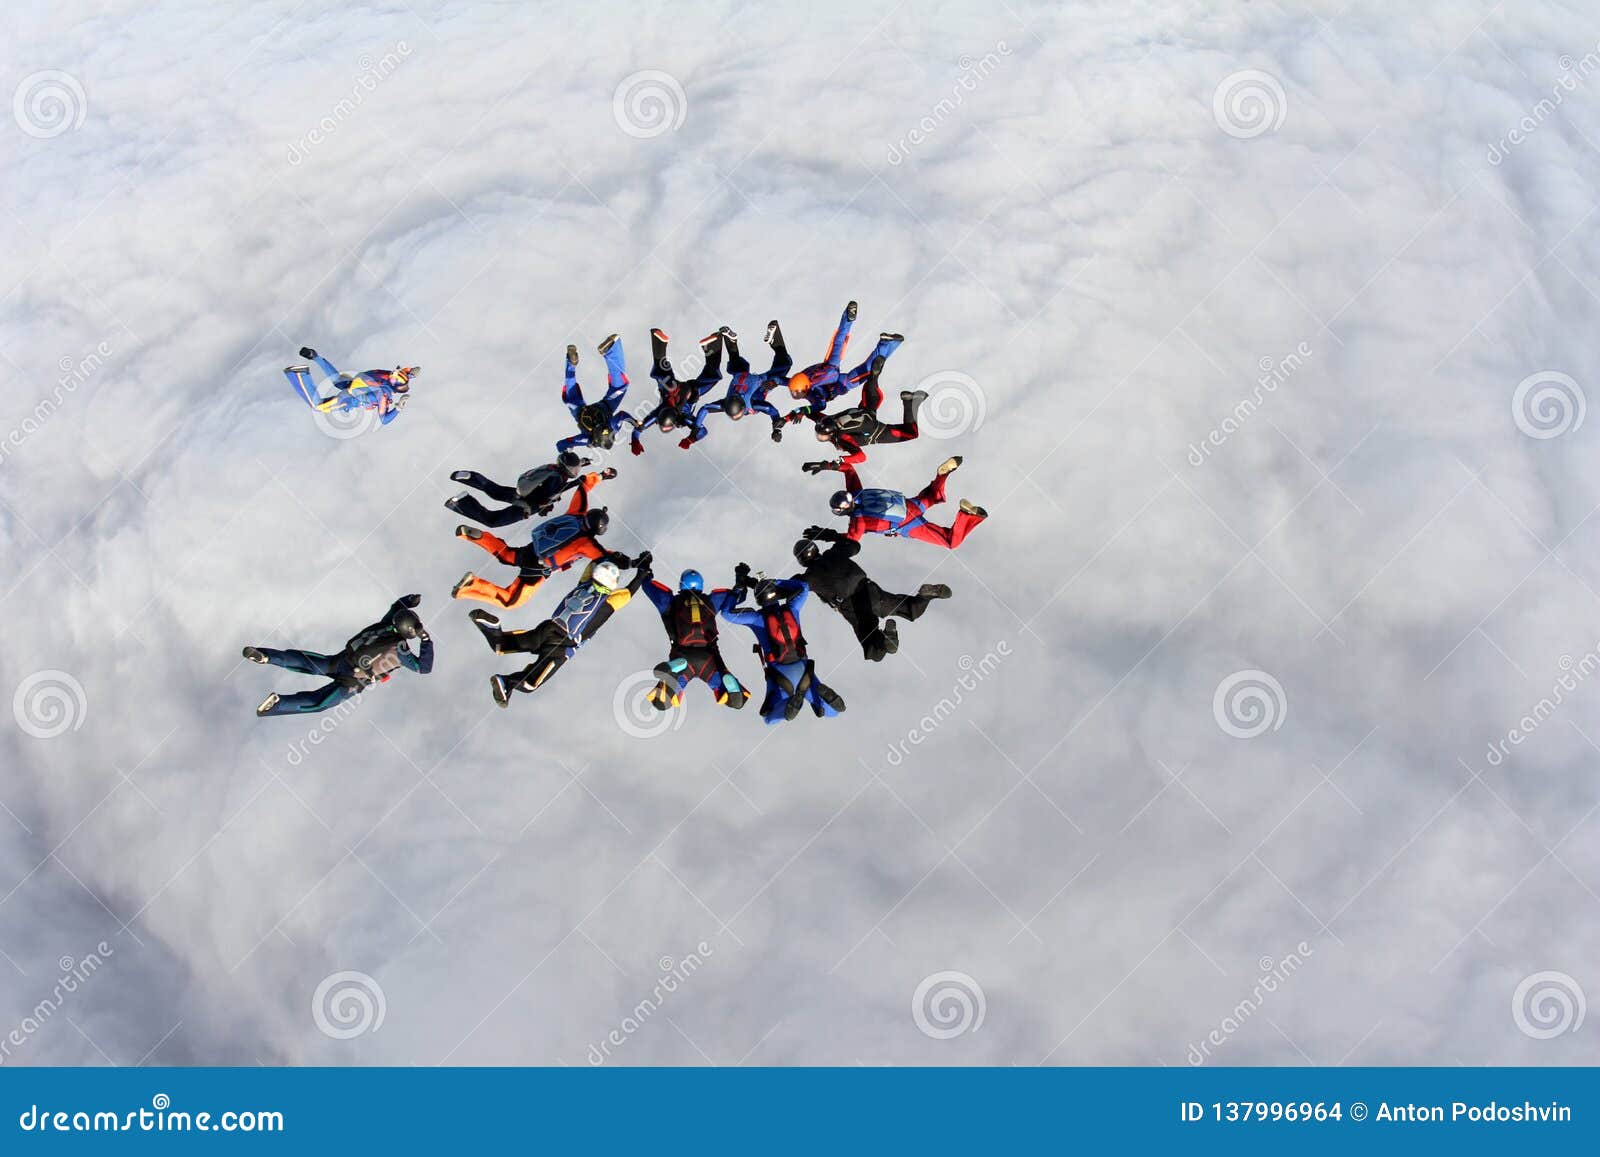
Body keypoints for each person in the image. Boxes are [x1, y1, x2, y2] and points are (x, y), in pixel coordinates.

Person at [468, 554, 652, 707]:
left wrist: (631, 562)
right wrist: (642, 572)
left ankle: (492, 628)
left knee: (501, 645)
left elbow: (597, 559)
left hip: (548, 627)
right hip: (563, 646)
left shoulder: (584, 582)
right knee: (532, 682)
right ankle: (506, 682)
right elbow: (629, 592)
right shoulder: (607, 602)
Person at [451, 471, 630, 610]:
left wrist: (601, 476)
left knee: (507, 555)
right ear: (598, 531)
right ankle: (470, 586)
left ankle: (477, 536)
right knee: (510, 600)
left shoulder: (577, 513)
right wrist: (629, 562)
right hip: (539, 567)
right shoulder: (587, 543)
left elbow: (583, 487)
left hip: (533, 549)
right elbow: (605, 558)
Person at [244, 595, 433, 717]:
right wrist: (426, 641)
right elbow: (423, 668)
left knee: (308, 663)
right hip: (352, 682)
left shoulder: (384, 625)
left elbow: (395, 607)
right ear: (410, 631)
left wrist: (408, 601)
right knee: (318, 703)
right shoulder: (400, 651)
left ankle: (267, 656)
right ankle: (278, 705)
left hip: (340, 661)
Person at [792, 529, 952, 661]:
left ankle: (886, 640)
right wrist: (827, 535)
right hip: (869, 590)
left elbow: (791, 587)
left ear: (802, 561)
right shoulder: (834, 553)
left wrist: (771, 587)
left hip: (853, 606)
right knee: (909, 609)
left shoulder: (809, 577)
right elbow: (854, 546)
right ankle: (925, 596)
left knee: (873, 648)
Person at [721, 571, 846, 725]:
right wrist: (773, 582)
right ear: (777, 594)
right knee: (828, 712)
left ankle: (790, 706)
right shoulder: (792, 609)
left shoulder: (757, 618)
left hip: (781, 673)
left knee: (769, 718)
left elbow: (726, 613)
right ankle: (831, 705)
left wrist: (740, 586)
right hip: (803, 667)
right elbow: (803, 587)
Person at [640, 568, 748, 710]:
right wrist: (741, 582)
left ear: (681, 584)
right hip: (709, 657)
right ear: (701, 584)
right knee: (737, 702)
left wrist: (646, 572)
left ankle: (674, 668)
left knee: (661, 702)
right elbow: (736, 597)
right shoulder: (711, 601)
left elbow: (648, 587)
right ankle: (730, 688)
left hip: (683, 657)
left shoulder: (670, 602)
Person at [683, 322, 803, 445]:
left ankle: (774, 339)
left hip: (762, 382)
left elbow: (771, 409)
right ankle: (731, 340)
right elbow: (705, 409)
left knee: (784, 364)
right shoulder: (725, 404)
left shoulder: (752, 404)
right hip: (741, 375)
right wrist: (695, 429)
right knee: (735, 360)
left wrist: (776, 427)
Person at [800, 354, 927, 470]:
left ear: (832, 432)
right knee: (871, 397)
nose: (821, 437)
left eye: (822, 436)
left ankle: (910, 401)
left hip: (877, 431)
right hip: (865, 412)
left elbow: (861, 457)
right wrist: (789, 417)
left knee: (912, 433)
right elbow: (810, 413)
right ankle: (873, 377)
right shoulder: (827, 419)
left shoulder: (842, 437)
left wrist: (840, 460)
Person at [828, 456, 986, 549]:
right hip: (908, 505)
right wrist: (828, 465)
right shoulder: (856, 493)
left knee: (950, 542)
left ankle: (967, 515)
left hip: (908, 524)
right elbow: (849, 469)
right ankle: (941, 475)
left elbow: (851, 541)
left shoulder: (858, 521)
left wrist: (830, 536)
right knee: (931, 495)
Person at [445, 451, 617, 528]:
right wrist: (601, 476)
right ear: (568, 470)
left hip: (522, 493)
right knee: (493, 521)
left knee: (494, 491)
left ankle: (470, 476)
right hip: (527, 506)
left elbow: (575, 465)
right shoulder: (560, 480)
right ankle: (460, 503)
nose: (576, 471)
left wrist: (585, 462)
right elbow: (573, 484)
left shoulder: (554, 469)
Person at [785, 301, 903, 410]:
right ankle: (849, 318)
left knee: (869, 369)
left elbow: (820, 405)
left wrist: (800, 411)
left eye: (797, 392)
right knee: (839, 341)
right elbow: (783, 381)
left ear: (806, 386)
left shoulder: (811, 390)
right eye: (793, 392)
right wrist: (772, 382)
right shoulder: (802, 381)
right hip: (832, 368)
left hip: (841, 382)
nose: (796, 394)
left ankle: (886, 343)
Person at [631, 328, 724, 454]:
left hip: (686, 391)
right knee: (661, 371)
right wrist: (635, 440)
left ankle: (712, 346)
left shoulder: (681, 419)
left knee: (712, 376)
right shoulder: (658, 415)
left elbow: (702, 431)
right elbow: (638, 429)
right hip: (680, 390)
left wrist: (691, 439)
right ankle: (659, 343)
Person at [285, 347, 417, 426]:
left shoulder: (387, 376)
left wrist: (410, 373)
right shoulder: (384, 395)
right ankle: (300, 375)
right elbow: (384, 420)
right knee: (318, 407)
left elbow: (401, 376)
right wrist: (398, 408)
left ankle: (315, 357)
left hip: (356, 384)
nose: (392, 375)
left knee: (337, 380)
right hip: (349, 398)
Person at [558, 335, 638, 453]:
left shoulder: (609, 428)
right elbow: (561, 444)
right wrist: (566, 451)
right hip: (596, 409)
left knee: (621, 386)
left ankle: (611, 350)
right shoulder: (589, 438)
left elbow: (622, 415)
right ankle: (571, 364)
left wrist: (634, 423)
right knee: (571, 398)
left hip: (600, 408)